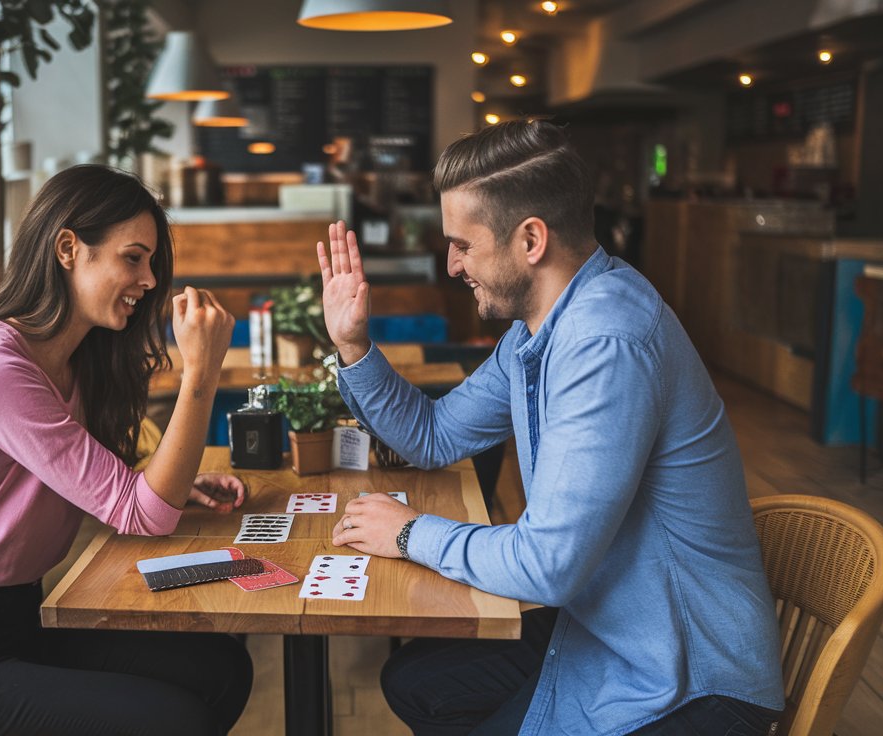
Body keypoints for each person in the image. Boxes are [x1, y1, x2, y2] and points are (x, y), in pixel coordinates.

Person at [318, 121, 784, 735]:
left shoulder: (605, 341)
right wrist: (353, 346)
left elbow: (549, 565)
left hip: (686, 678)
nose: (453, 264)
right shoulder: (538, 330)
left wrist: (409, 534)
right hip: (604, 627)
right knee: (415, 681)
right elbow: (434, 436)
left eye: (463, 244)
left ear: (531, 239)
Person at [0, 165, 253, 735]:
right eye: (133, 257)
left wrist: (163, 482)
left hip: (21, 622)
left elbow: (118, 493)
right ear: (69, 248)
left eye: (152, 264)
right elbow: (143, 515)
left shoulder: (75, 361)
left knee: (221, 669)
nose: (149, 281)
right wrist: (202, 371)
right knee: (175, 720)